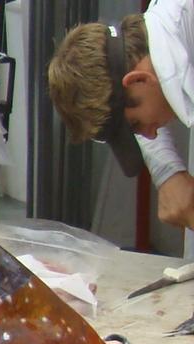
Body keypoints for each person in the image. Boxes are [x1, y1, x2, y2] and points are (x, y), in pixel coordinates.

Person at [48, 2, 194, 241]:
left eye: (136, 125)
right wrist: (168, 173)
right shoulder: (161, 35)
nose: (151, 135)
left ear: (138, 80)